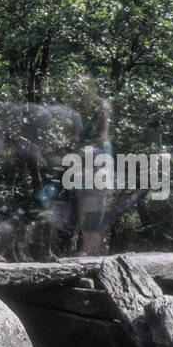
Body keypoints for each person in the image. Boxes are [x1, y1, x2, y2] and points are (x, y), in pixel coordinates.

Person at [68, 77, 112, 256]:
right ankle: (87, 247)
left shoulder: (102, 106)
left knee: (94, 201)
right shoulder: (78, 110)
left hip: (97, 155)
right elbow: (74, 136)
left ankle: (94, 248)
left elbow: (103, 135)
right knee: (84, 203)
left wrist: (89, 153)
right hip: (82, 157)